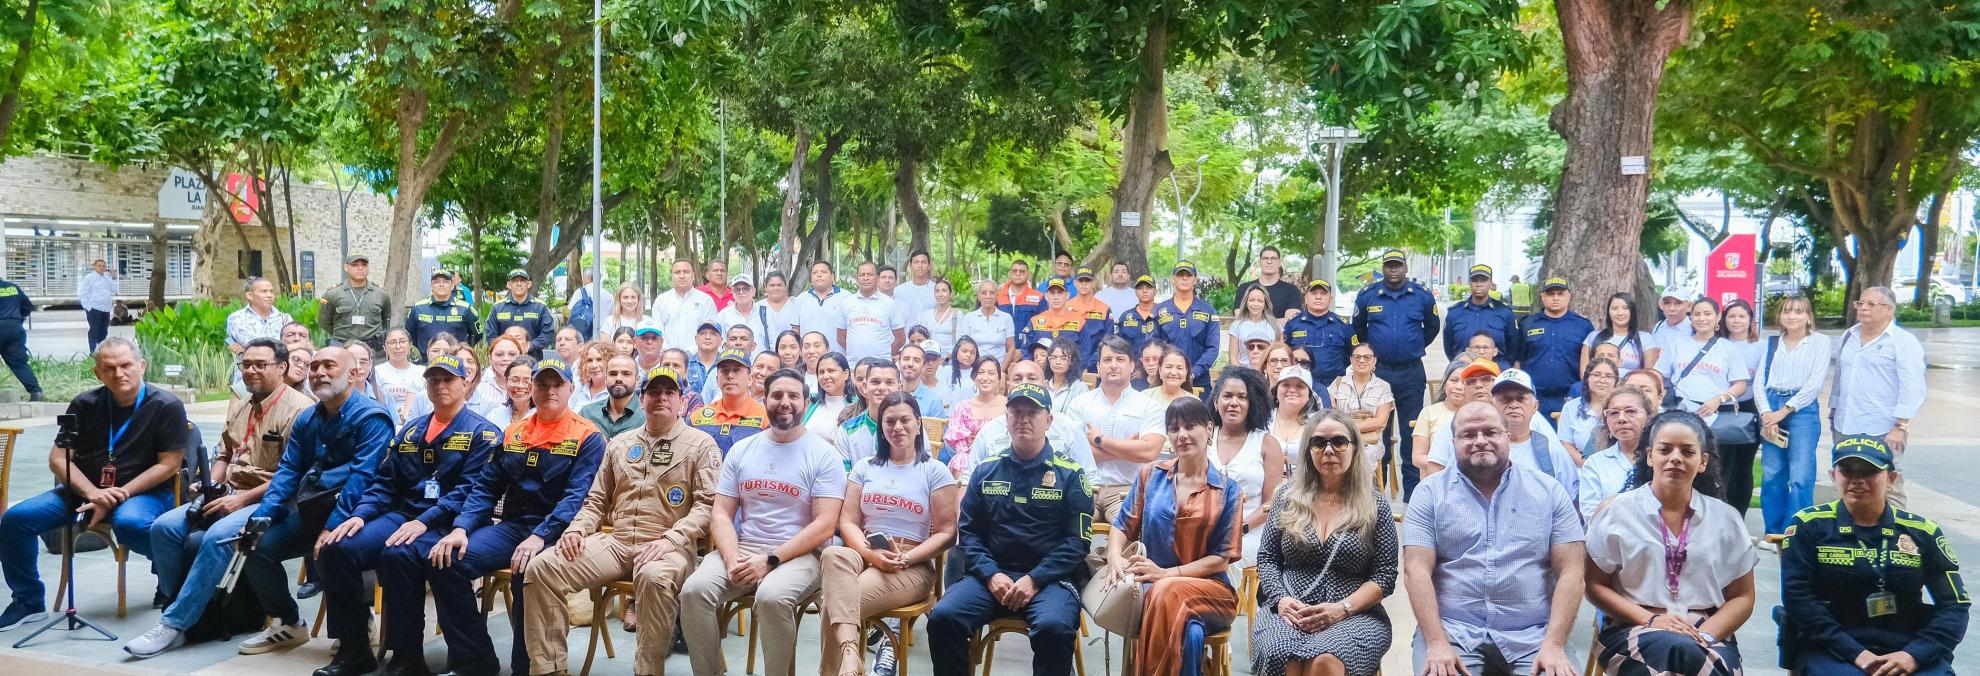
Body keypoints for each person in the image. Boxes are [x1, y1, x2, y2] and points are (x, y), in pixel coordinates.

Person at [384, 356, 605, 676]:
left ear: (571, 388)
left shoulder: (587, 435)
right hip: (513, 527)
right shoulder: (514, 432)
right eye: (543, 383)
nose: (550, 390)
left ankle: (526, 668)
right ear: (531, 387)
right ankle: (474, 662)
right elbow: (486, 487)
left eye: (558, 384)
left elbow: (576, 498)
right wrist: (460, 528)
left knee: (527, 572)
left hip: (559, 532)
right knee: (445, 558)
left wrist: (540, 536)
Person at [523, 365, 722, 676]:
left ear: (682, 401)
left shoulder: (701, 444)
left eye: (669, 392)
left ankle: (647, 670)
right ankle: (549, 669)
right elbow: (597, 500)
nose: (661, 398)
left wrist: (670, 539)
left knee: (654, 577)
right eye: (653, 392)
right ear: (641, 399)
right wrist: (577, 529)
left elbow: (707, 506)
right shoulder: (620, 444)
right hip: (616, 543)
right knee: (542, 568)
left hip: (667, 545)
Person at [310, 352, 502, 674]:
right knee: (336, 550)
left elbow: (470, 491)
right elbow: (385, 483)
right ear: (425, 385)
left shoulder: (484, 434)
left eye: (449, 379)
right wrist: (359, 515)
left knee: (399, 555)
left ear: (465, 384)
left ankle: (406, 655)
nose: (440, 386)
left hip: (451, 522)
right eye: (434, 380)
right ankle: (354, 650)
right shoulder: (412, 432)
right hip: (404, 516)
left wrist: (423, 521)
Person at [121, 338, 311, 658]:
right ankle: (182, 606)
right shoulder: (239, 403)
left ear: (282, 368)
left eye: (260, 365)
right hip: (228, 491)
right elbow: (225, 452)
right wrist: (208, 483)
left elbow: (293, 476)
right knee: (164, 528)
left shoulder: (301, 410)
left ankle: (174, 624)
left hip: (268, 498)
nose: (251, 371)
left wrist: (241, 499)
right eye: (245, 364)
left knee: (218, 537)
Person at [0, 338, 185, 629]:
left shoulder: (166, 405)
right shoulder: (84, 404)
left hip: (145, 492)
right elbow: (58, 459)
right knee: (15, 520)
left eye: (126, 365)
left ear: (141, 366)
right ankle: (28, 601)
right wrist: (94, 493)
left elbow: (169, 464)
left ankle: (171, 573)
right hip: (85, 490)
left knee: (132, 524)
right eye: (109, 368)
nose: (119, 373)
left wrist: (120, 493)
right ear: (97, 372)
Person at [680, 370, 847, 676]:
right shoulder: (743, 450)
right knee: (694, 590)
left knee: (771, 597)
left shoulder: (824, 455)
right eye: (777, 395)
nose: (785, 402)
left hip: (802, 554)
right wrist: (732, 559)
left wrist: (769, 560)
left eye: (793, 396)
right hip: (744, 547)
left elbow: (825, 525)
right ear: (765, 400)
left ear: (805, 402)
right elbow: (720, 514)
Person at [1403, 402, 1584, 676]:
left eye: (1490, 432)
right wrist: (1437, 643)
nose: (1480, 441)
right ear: (1453, 442)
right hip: (1454, 632)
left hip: (1534, 635)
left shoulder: (1548, 492)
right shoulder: (1429, 493)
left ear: (1507, 437)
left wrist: (1555, 644)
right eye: (1468, 435)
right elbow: (1415, 570)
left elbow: (1572, 571)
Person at [248, 345, 398, 671]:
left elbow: (362, 479)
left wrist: (331, 527)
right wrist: (263, 515)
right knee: (257, 545)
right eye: (314, 366)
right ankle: (289, 622)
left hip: (359, 512)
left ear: (354, 373)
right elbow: (288, 470)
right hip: (311, 509)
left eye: (329, 366)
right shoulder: (308, 418)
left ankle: (354, 637)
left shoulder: (372, 417)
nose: (319, 373)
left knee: (334, 549)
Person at [928, 384, 1094, 676]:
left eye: (1032, 412)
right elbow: (969, 533)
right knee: (943, 617)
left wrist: (1035, 578)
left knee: (1054, 628)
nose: (1023, 419)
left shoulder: (1070, 474)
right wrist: (991, 575)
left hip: (1051, 580)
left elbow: (1076, 543)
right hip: (991, 577)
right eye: (1016, 412)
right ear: (1006, 418)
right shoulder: (985, 470)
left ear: (1049, 420)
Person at [1585, 411, 1757, 675]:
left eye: (1687, 451)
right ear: (1650, 455)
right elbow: (1594, 584)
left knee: (1684, 654)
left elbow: (1742, 596)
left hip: (1708, 632)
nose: (1675, 458)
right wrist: (1652, 620)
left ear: (1702, 461)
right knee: (1679, 653)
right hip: (1634, 625)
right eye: (1665, 450)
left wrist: (1706, 636)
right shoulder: (1618, 512)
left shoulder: (1726, 518)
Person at [1781, 435, 1969, 675]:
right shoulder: (1809, 525)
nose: (1858, 480)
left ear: (1891, 479)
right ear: (1833, 476)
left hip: (1907, 648)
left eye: (1869, 472)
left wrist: (1915, 655)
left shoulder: (1922, 531)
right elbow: (1799, 601)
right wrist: (1857, 654)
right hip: (1833, 648)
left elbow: (1954, 605)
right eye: (1848, 471)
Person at [819, 392, 959, 676]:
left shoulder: (934, 471)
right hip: (866, 550)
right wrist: (869, 553)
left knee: (838, 602)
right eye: (890, 421)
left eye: (905, 420)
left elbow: (947, 533)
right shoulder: (865, 467)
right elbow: (847, 522)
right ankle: (849, 657)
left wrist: (905, 557)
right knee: (833, 553)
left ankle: (838, 668)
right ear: (881, 427)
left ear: (918, 423)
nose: (897, 428)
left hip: (911, 563)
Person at [1252, 410, 1399, 676]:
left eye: (1338, 442)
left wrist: (1342, 609)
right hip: (1290, 608)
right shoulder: (1287, 496)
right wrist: (1282, 600)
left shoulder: (1374, 504)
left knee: (1324, 661)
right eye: (1318, 443)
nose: (1328, 450)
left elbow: (1385, 576)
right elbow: (1267, 559)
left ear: (1354, 447)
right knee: (1282, 655)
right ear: (1308, 450)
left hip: (1354, 612)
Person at [1107, 396, 1244, 676]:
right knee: (1191, 635)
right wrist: (1113, 557)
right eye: (1174, 428)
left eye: (1190, 426)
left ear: (1209, 429)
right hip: (1150, 584)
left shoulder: (1228, 490)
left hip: (1211, 590)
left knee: (1166, 590)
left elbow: (1220, 560)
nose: (1181, 435)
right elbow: (1122, 525)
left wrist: (1168, 574)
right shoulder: (1151, 475)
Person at [1352, 249, 1439, 497]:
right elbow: (1358, 330)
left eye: (1397, 265)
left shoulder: (1421, 295)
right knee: (1379, 432)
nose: (1393, 269)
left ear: (1405, 268)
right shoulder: (1368, 295)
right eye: (1389, 265)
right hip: (1379, 374)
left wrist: (1411, 346)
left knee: (1413, 431)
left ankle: (1413, 492)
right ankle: (1378, 491)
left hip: (1411, 372)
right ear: (1383, 267)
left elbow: (1432, 328)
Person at [1830, 286, 1925, 507]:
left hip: (1884, 428)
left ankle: (1894, 537)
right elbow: (1840, 379)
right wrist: (1833, 415)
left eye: (1871, 304)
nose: (1863, 308)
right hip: (1846, 426)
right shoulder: (1849, 336)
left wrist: (1900, 426)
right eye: (1860, 303)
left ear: (1890, 309)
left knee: (1888, 486)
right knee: (1848, 484)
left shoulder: (1903, 342)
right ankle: (1852, 537)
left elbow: (1913, 387)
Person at [1425, 369, 1581, 494]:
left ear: (1535, 406)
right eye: (1505, 399)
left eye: (1520, 399)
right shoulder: (1471, 448)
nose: (1514, 405)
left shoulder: (1551, 451)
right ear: (1493, 404)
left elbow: (1570, 502)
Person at [1065, 336, 1167, 522]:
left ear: (1132, 366)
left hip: (1128, 489)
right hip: (1085, 487)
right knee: (1070, 524)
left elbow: (1149, 452)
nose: (1113, 365)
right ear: (1097, 367)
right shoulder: (1079, 404)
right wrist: (1128, 448)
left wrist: (1100, 440)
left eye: (1120, 359)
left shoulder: (1148, 406)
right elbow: (1074, 454)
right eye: (1107, 360)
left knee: (1129, 527)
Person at [1756, 295, 1832, 537]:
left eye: (1799, 311)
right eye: (1787, 311)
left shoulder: (1819, 342)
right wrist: (1767, 413)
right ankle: (1774, 531)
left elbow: (1814, 384)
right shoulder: (1772, 344)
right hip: (1771, 404)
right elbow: (1759, 381)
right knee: (1772, 474)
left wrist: (1784, 411)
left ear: (1808, 316)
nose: (1792, 316)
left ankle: (1796, 532)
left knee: (1800, 475)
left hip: (1801, 411)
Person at [1207, 367, 1285, 567]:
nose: (1234, 403)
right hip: (1204, 529)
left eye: (1242, 397)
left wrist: (1237, 528)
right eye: (1227, 396)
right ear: (1216, 401)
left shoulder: (1267, 444)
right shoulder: (1203, 437)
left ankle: (1222, 599)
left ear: (1252, 404)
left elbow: (1270, 506)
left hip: (1250, 532)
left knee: (1224, 558)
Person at [1663, 298, 1753, 435]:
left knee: (1716, 455)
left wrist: (1719, 399)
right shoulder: (1677, 345)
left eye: (1707, 314)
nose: (1702, 318)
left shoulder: (1729, 348)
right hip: (1681, 411)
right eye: (1697, 314)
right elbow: (1659, 375)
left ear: (1717, 317)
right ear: (1691, 317)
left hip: (1717, 412)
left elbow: (1740, 385)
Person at [1516, 277, 1594, 420]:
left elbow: (1589, 363)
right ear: (1542, 297)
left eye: (1560, 294)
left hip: (1570, 397)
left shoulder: (1583, 326)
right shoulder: (1528, 324)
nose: (1555, 298)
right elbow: (1518, 360)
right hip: (1533, 396)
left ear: (1569, 296)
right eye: (1551, 294)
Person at [1578, 385, 1657, 522]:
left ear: (1648, 417)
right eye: (1613, 413)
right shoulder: (1595, 463)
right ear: (1606, 420)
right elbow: (1591, 516)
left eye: (1631, 411)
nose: (1621, 419)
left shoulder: (1662, 458)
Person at [691, 348, 770, 454]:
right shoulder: (697, 417)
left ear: (750, 379)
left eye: (737, 370)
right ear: (717, 380)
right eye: (724, 370)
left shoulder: (765, 417)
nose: (730, 376)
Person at [1155, 261, 1219, 388]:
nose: (1184, 278)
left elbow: (1212, 348)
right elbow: (1153, 346)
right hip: (1166, 381)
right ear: (1172, 279)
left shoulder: (1208, 311)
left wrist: (1193, 373)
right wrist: (1166, 371)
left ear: (1195, 279)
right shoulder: (1159, 311)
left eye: (1188, 275)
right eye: (1180, 275)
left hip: (1198, 381)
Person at [1328, 344, 1395, 463]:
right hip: (1340, 440)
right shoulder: (1338, 383)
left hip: (1370, 443)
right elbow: (1330, 414)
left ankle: (1361, 482)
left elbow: (1380, 422)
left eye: (1367, 357)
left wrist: (1346, 427)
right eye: (1357, 357)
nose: (1362, 360)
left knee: (1362, 458)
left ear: (1374, 361)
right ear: (1351, 360)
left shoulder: (1383, 387)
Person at [1443, 264, 1518, 366]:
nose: (1479, 284)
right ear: (1470, 283)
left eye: (1483, 280)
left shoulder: (1505, 313)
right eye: (1475, 280)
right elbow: (1449, 347)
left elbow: (1513, 347)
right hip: (1464, 370)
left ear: (1491, 284)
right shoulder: (1455, 313)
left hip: (1496, 371)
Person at [1283, 278, 1355, 386]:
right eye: (1314, 293)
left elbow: (1353, 353)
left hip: (1334, 385)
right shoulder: (1293, 323)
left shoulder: (1343, 325)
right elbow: (1284, 351)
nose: (1318, 297)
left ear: (1330, 299)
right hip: (1300, 382)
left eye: (1323, 293)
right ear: (1306, 298)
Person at [320, 254, 394, 352]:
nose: (360, 268)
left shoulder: (381, 294)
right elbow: (324, 321)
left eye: (364, 265)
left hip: (373, 349)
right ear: (346, 267)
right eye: (355, 265)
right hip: (342, 347)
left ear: (368, 267)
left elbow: (386, 319)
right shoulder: (332, 294)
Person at [837, 261, 906, 364]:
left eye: (870, 275)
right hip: (854, 364)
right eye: (862, 275)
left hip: (881, 365)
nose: (866, 278)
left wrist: (885, 354)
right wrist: (855, 352)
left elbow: (900, 338)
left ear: (877, 279)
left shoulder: (889, 303)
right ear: (857, 279)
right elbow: (840, 337)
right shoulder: (846, 303)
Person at [944, 358, 1007, 465]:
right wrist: (973, 450)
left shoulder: (1009, 406)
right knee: (961, 459)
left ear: (998, 378)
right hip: (970, 458)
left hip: (1001, 457)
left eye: (991, 373)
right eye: (980, 373)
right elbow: (955, 437)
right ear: (974, 377)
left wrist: (982, 443)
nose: (985, 378)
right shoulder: (963, 408)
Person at [652, 260, 719, 354]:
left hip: (698, 357)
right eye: (677, 272)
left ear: (693, 275)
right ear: (672, 275)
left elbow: (709, 332)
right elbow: (657, 331)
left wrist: (690, 352)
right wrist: (669, 352)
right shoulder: (661, 301)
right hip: (667, 357)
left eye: (686, 272)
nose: (682, 276)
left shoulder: (706, 301)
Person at [1412, 362, 1470, 469]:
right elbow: (1418, 457)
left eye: (1465, 382)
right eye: (1453, 380)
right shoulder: (1428, 413)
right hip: (1437, 478)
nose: (1458, 387)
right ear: (1444, 385)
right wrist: (1449, 467)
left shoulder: (1478, 414)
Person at [1583, 292, 1659, 372]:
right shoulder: (1593, 337)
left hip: (1633, 384)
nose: (1620, 313)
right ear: (1608, 312)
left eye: (1625, 308)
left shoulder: (1645, 338)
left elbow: (1649, 374)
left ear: (1632, 311)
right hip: (1599, 383)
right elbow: (1584, 372)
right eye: (1614, 308)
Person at [406, 270, 481, 351]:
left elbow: (477, 334)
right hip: (426, 361)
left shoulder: (465, 308)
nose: (441, 285)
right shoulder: (418, 308)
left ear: (452, 285)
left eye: (445, 282)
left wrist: (461, 350)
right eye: (437, 282)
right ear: (431, 286)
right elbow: (409, 333)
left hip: (455, 360)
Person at [1560, 357, 1621, 456]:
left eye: (1609, 376)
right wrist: (1585, 465)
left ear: (1616, 381)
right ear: (1587, 378)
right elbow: (1565, 443)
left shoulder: (1622, 408)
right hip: (1579, 466)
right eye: (1596, 375)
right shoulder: (1571, 407)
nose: (1602, 380)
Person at [487, 269, 554, 356]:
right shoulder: (497, 307)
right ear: (509, 285)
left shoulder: (540, 307)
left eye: (522, 281)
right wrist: (505, 349)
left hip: (533, 359)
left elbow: (548, 333)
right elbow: (490, 335)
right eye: (515, 281)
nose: (519, 284)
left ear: (528, 284)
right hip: (505, 359)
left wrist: (529, 346)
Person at [579, 353, 646, 439]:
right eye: (613, 374)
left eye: (626, 374)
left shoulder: (647, 417)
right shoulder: (587, 413)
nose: (618, 378)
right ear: (606, 379)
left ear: (637, 379)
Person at [1237, 246, 1304, 321]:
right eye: (1265, 258)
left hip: (1281, 333)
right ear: (1260, 262)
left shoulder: (1292, 290)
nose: (1269, 262)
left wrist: (1257, 323)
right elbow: (1240, 319)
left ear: (1279, 263)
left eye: (1273, 258)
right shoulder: (1244, 288)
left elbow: (1290, 321)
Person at [0, 274, 40, 400]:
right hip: (14, 328)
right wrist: (18, 319)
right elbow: (28, 306)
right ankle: (35, 390)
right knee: (19, 363)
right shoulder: (13, 287)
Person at [798, 261, 849, 352]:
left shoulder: (846, 298)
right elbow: (796, 330)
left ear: (832, 276)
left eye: (823, 272)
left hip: (837, 357)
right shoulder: (801, 299)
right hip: (809, 356)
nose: (819, 275)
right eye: (815, 273)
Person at [805, 352, 856, 440]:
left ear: (846, 374)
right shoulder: (810, 402)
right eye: (821, 372)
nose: (825, 376)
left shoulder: (858, 404)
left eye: (831, 371)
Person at [1227, 286, 1280, 369]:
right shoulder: (1236, 326)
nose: (1255, 304)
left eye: (1260, 301)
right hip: (1244, 374)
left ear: (1265, 303)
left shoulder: (1275, 325)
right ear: (1246, 302)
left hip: (1269, 373)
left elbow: (1280, 354)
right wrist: (1242, 375)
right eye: (1252, 300)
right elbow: (1233, 359)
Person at [1113, 273, 1162, 358]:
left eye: (1149, 287)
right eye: (1140, 288)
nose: (1144, 291)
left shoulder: (1164, 315)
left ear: (1156, 291)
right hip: (1133, 369)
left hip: (1159, 368)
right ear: (1135, 292)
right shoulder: (1125, 318)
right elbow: (1117, 347)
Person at [1270, 366, 1319, 445]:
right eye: (1286, 385)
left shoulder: (1317, 423)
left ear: (1309, 396)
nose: (1292, 390)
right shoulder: (1262, 419)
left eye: (1300, 386)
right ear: (1277, 391)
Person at [997, 259, 1047, 335]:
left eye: (1022, 271)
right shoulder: (998, 297)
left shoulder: (1039, 297)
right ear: (1009, 274)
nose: (1018, 274)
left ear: (1028, 274)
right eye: (1014, 271)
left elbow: (1043, 325)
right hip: (1002, 345)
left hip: (1028, 345)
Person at [753, 272, 805, 343]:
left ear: (785, 286)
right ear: (765, 287)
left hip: (791, 350)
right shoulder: (757, 307)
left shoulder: (795, 304)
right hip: (764, 352)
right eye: (772, 285)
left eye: (779, 285)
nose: (776, 288)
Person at [914, 279, 962, 356]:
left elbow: (959, 341)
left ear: (950, 294)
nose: (940, 294)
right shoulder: (927, 314)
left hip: (949, 358)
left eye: (944, 291)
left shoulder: (957, 314)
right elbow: (921, 337)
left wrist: (946, 359)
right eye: (937, 291)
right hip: (929, 356)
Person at [894, 250, 940, 329]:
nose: (920, 266)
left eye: (923, 262)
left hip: (932, 338)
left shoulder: (937, 289)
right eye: (916, 262)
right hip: (906, 339)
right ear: (910, 266)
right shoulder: (899, 291)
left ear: (929, 265)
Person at [80, 258, 117, 354]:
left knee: (103, 331)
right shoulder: (89, 278)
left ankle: (101, 351)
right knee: (94, 330)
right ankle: (92, 352)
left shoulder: (107, 278)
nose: (101, 268)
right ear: (94, 267)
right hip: (94, 308)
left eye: (103, 266)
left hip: (106, 309)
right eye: (99, 266)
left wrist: (113, 277)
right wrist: (88, 307)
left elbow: (114, 290)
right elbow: (82, 293)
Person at [1650, 286, 1698, 357]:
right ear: (1661, 305)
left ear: (1689, 306)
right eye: (1667, 303)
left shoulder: (1695, 329)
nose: (1672, 308)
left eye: (1678, 303)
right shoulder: (1658, 326)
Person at [1041, 341, 1088, 411]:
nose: (1057, 362)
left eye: (1063, 358)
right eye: (1053, 357)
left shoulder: (1080, 388)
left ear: (1072, 362)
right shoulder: (1043, 385)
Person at [715, 275, 760, 349]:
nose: (741, 292)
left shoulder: (764, 313)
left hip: (761, 360)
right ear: (732, 292)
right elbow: (718, 343)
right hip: (732, 360)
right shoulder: (723, 315)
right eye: (737, 289)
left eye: (745, 289)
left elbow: (772, 341)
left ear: (753, 291)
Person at [568, 341, 615, 410]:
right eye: (589, 360)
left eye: (599, 359)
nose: (594, 365)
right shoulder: (580, 389)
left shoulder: (614, 393)